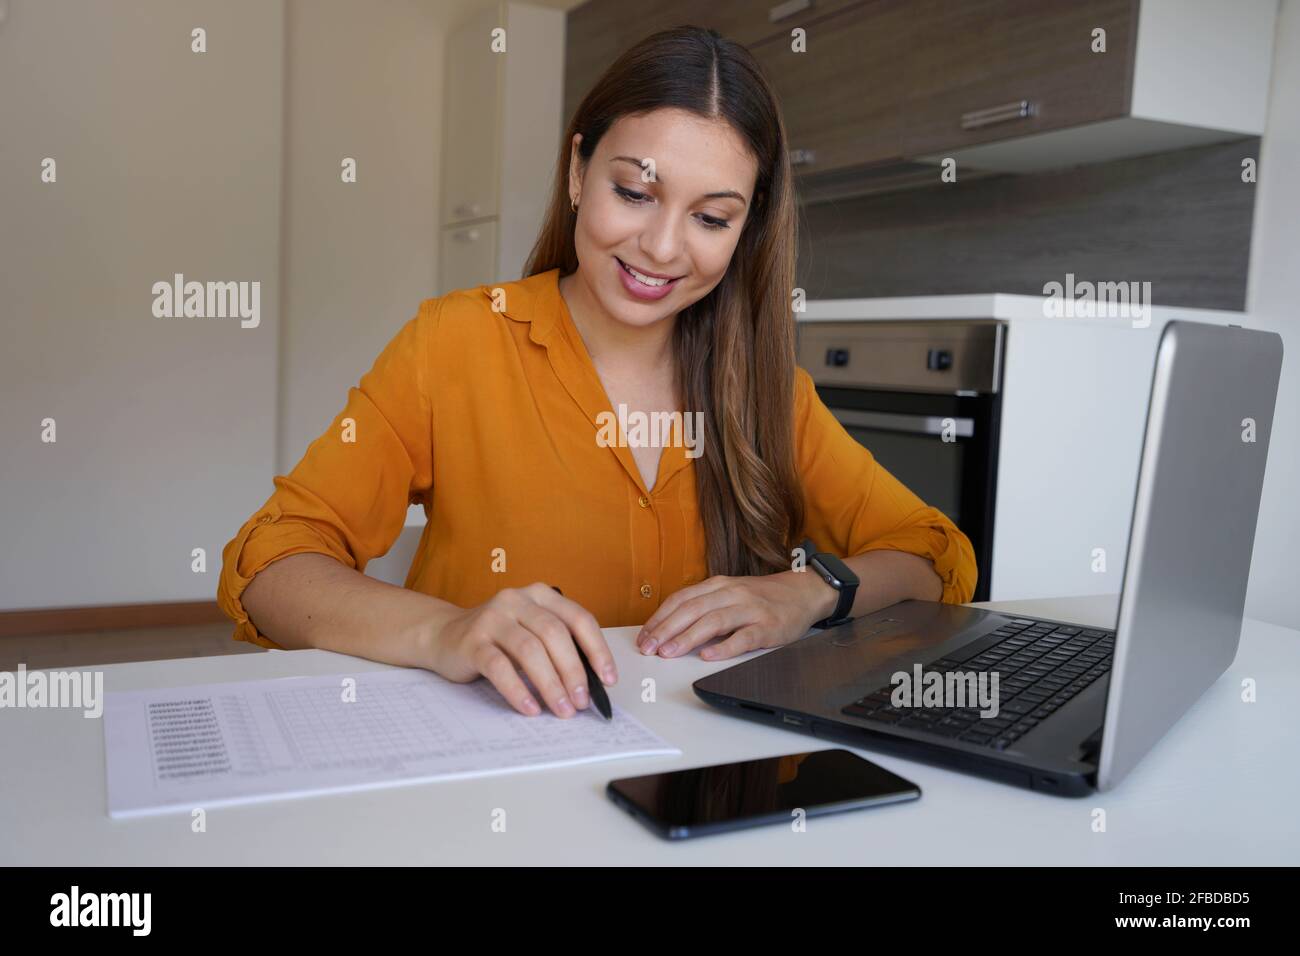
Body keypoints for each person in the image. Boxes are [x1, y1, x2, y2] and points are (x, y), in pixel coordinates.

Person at [217, 25, 977, 721]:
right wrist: (444, 630)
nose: (662, 248)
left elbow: (932, 553)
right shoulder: (455, 341)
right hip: (483, 775)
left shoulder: (770, 393)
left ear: (746, 230)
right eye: (636, 193)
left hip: (695, 779)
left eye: (712, 218)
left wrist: (809, 592)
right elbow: (271, 563)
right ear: (579, 172)